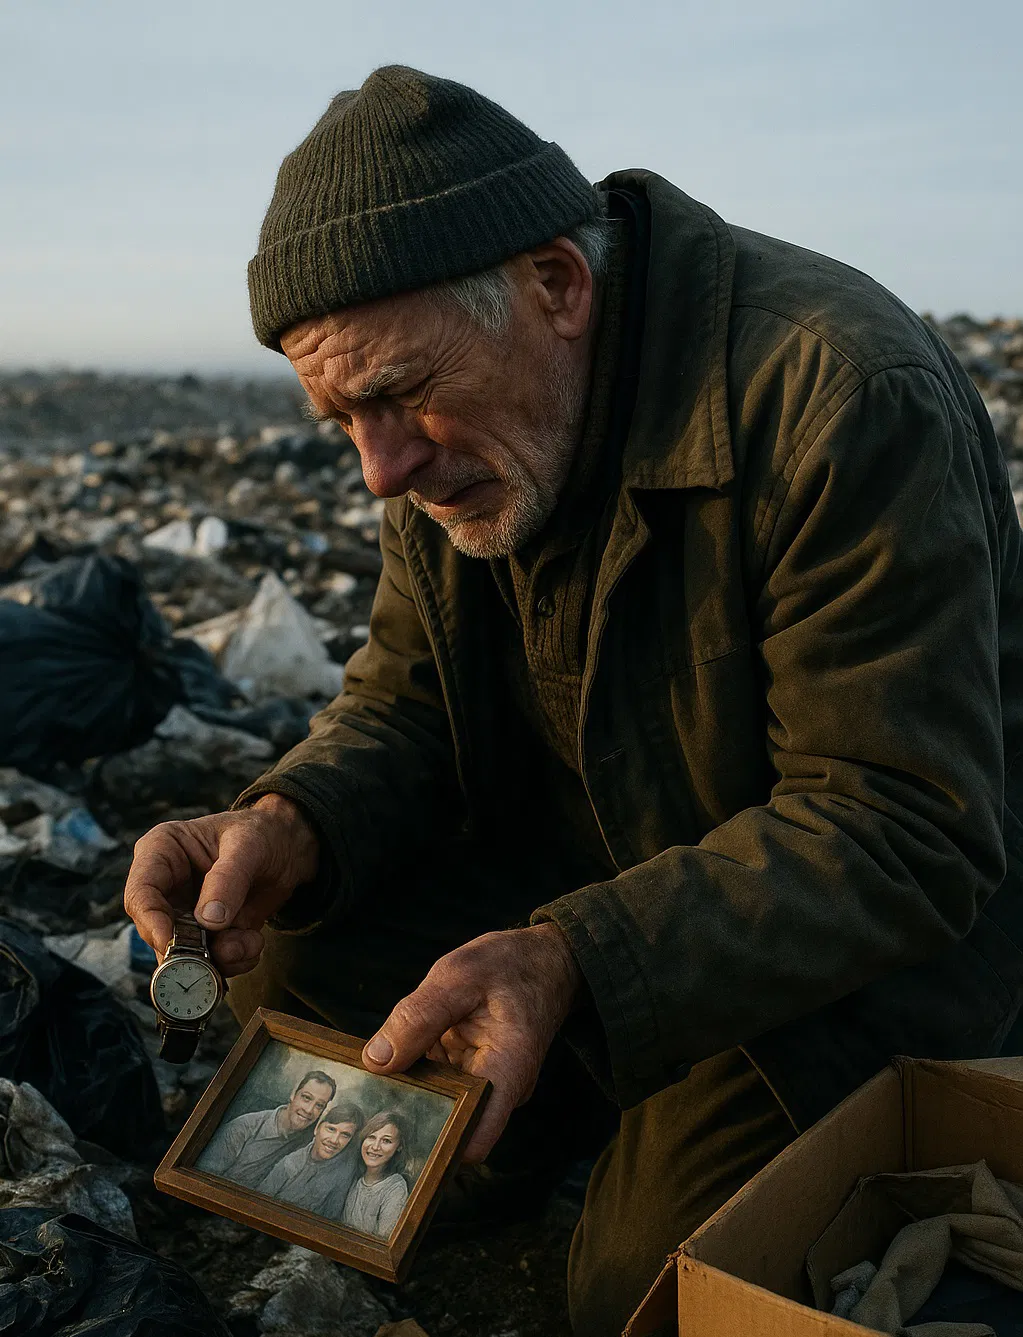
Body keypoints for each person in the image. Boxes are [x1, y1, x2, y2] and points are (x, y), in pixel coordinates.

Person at [124, 65, 1023, 1335]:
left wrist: (577, 963)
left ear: (556, 284)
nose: (383, 464)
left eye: (395, 393)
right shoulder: (463, 446)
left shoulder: (838, 392)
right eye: (340, 420)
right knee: (296, 959)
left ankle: (584, 1105)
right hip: (606, 863)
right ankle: (545, 1119)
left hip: (842, 943)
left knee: (633, 1291)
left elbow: (904, 823)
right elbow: (404, 699)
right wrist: (292, 819)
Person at [199, 1070, 336, 1188]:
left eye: (319, 1105)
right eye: (306, 1098)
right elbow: (202, 1180)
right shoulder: (243, 1127)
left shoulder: (310, 1141)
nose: (309, 1110)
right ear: (293, 1094)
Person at [256, 1100, 364, 1216]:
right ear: (317, 1128)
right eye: (331, 1129)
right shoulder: (290, 1162)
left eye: (345, 1135)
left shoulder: (344, 1175)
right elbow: (257, 1205)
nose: (334, 1140)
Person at [342, 1110, 410, 1239]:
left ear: (399, 1146)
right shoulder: (352, 1175)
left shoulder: (395, 1188)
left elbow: (381, 1243)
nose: (375, 1147)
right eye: (371, 1137)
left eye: (386, 1141)